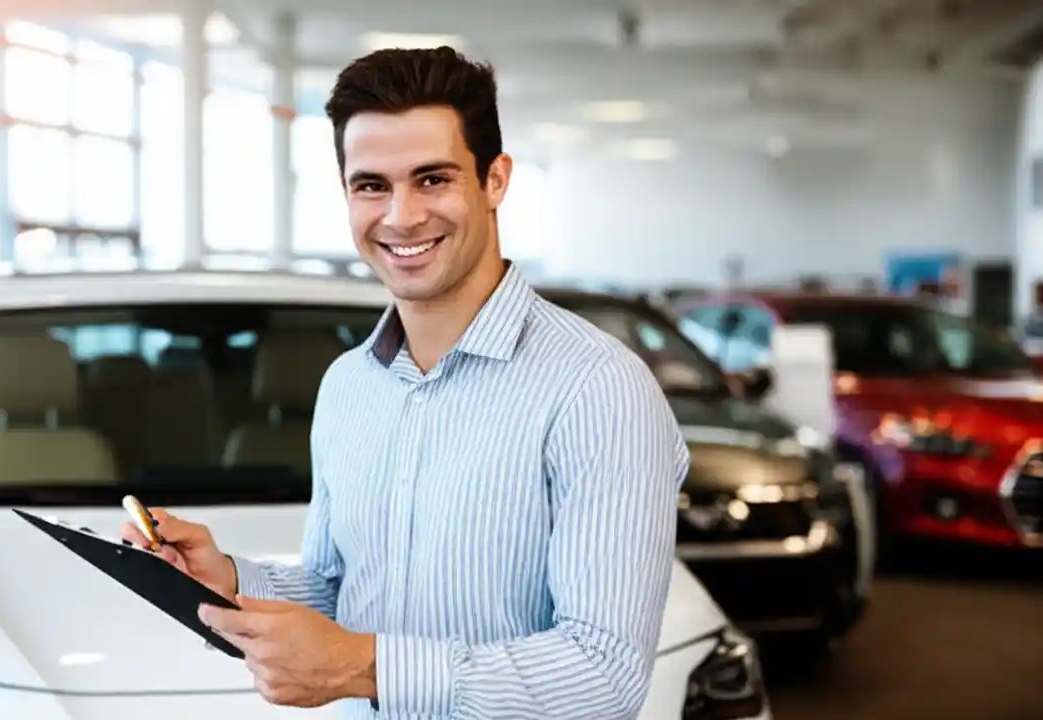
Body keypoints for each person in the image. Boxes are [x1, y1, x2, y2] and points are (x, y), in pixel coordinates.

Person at [123, 46, 689, 718]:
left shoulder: (597, 389)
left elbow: (604, 674)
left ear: (496, 180)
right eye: (372, 185)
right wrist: (231, 579)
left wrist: (363, 667)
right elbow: (345, 591)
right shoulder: (349, 386)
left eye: (432, 179)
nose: (401, 217)